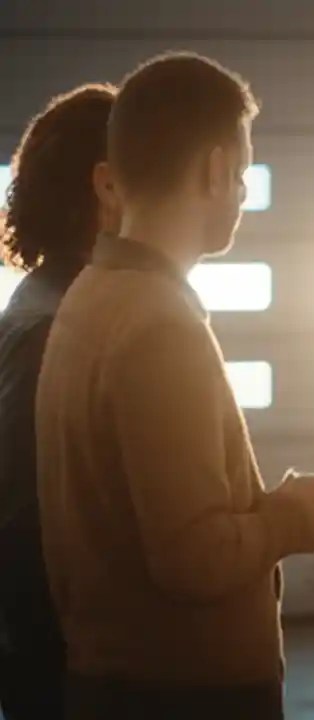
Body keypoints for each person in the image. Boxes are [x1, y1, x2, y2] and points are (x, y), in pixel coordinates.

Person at [35, 52, 314, 719]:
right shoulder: (159, 327)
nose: (244, 193)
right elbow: (192, 559)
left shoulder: (90, 297)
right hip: (182, 693)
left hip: (110, 681)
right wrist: (296, 518)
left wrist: (273, 504)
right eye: (245, 173)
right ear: (216, 170)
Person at [0, 82, 117, 720]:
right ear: (104, 188)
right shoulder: (57, 323)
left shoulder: (52, 302)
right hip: (64, 664)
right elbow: (26, 518)